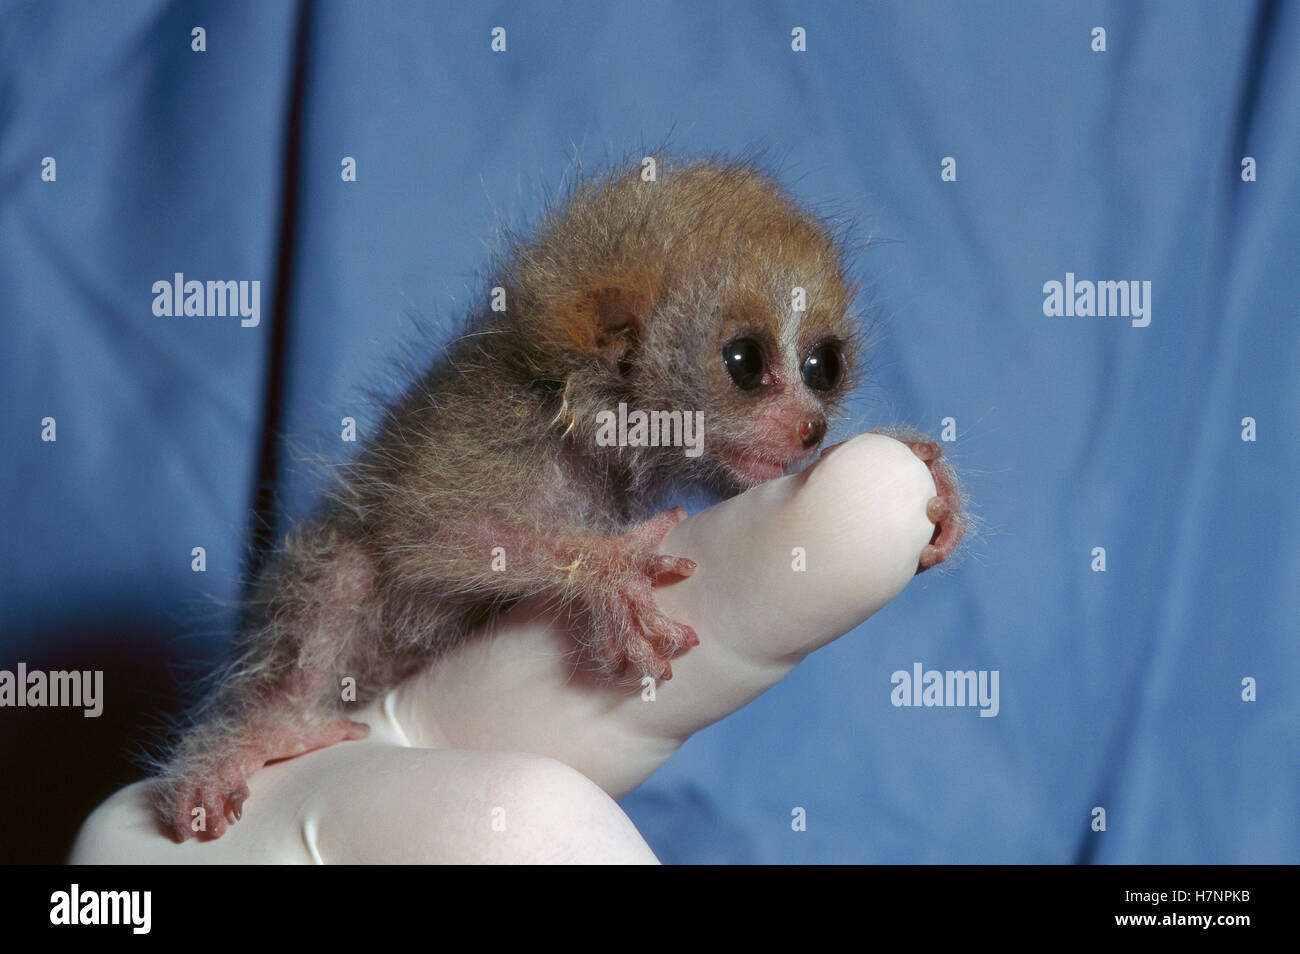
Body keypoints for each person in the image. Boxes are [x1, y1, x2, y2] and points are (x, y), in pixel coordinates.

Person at [69, 433, 938, 863]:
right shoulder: (538, 405)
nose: (805, 415)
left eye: (823, 370)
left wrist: (860, 477)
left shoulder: (644, 434)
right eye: (749, 367)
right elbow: (408, 535)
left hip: (442, 688)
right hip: (338, 673)